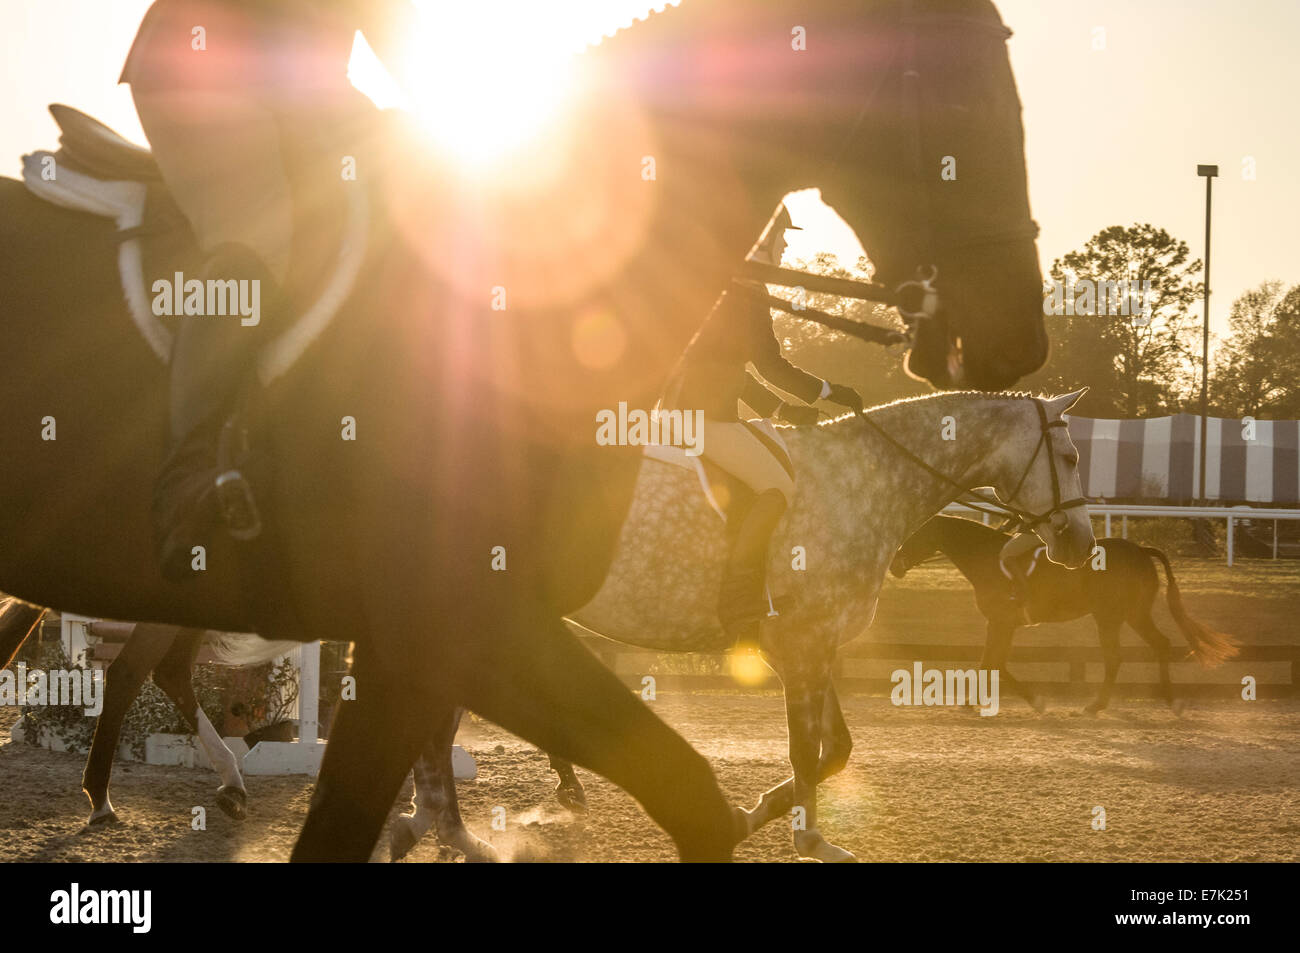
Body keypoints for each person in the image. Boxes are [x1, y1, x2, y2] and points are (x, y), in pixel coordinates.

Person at [119, 0, 417, 579]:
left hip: (284, 87)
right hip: (199, 66)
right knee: (264, 239)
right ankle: (186, 482)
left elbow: (410, 66)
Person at [665, 205, 863, 647]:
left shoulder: (723, 286)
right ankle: (739, 608)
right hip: (702, 417)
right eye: (781, 238)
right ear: (761, 241)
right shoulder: (745, 292)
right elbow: (770, 365)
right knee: (778, 488)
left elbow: (727, 370)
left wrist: (782, 410)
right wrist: (830, 392)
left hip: (689, 410)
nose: (787, 246)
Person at [998, 527, 1042, 619]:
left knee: (1007, 554)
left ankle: (1024, 590)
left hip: (1038, 531)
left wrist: (1005, 527)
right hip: (1033, 529)